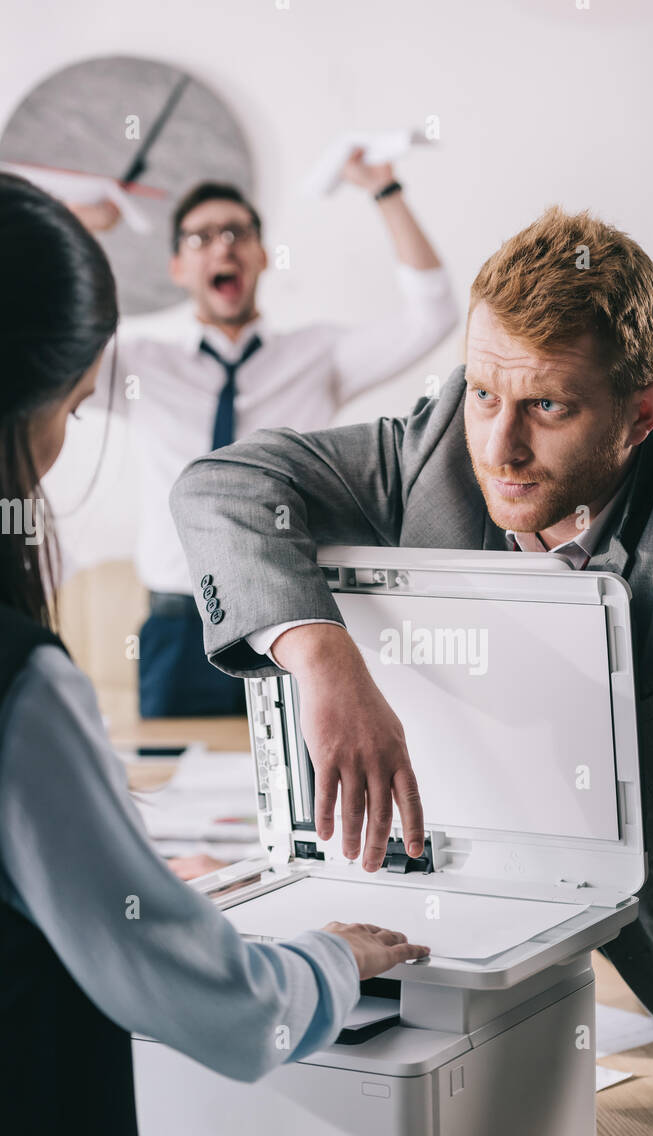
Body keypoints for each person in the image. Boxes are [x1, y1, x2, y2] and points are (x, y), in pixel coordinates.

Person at [171, 205, 653, 1136]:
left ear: (642, 413)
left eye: (546, 405)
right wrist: (319, 650)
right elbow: (222, 486)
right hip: (576, 881)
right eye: (486, 392)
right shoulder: (440, 446)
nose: (497, 445)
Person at [0, 171, 429, 1136]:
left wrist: (101, 859)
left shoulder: (320, 348)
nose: (74, 431)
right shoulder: (22, 682)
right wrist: (338, 952)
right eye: (76, 406)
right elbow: (206, 1000)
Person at [68, 157, 458, 717]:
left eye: (237, 233)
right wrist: (76, 230)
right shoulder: (138, 364)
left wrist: (384, 188)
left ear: (261, 256)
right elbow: (50, 338)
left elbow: (433, 315)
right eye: (201, 237)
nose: (222, 247)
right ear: (178, 266)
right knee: (180, 792)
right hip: (178, 632)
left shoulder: (318, 356)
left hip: (293, 624)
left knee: (301, 795)